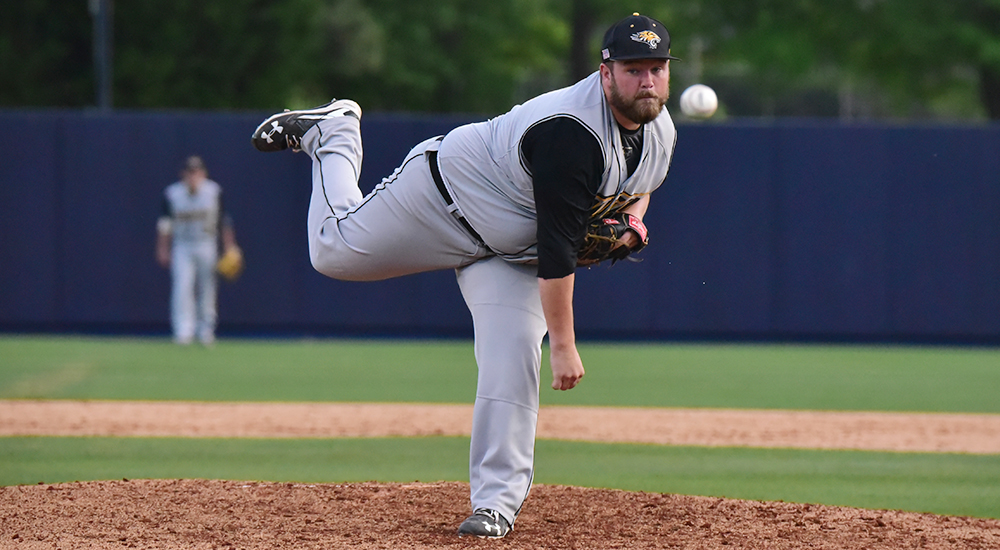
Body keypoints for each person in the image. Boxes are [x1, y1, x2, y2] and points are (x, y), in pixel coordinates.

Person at [252, 12, 677, 538]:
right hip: (444, 199)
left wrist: (634, 222)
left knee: (514, 352)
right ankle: (335, 133)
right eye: (634, 68)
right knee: (332, 252)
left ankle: (495, 505)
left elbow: (639, 185)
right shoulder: (572, 132)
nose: (648, 80)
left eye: (657, 67)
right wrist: (564, 345)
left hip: (507, 251)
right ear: (605, 71)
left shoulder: (658, 128)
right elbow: (558, 255)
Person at [156, 155, 238, 346]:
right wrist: (162, 248)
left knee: (207, 288)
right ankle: (183, 331)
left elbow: (224, 221)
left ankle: (206, 330)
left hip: (206, 243)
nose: (193, 176)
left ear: (203, 173)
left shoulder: (213, 191)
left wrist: (229, 247)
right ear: (183, 174)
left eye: (196, 172)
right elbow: (164, 225)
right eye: (190, 172)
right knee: (182, 287)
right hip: (182, 245)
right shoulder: (172, 194)